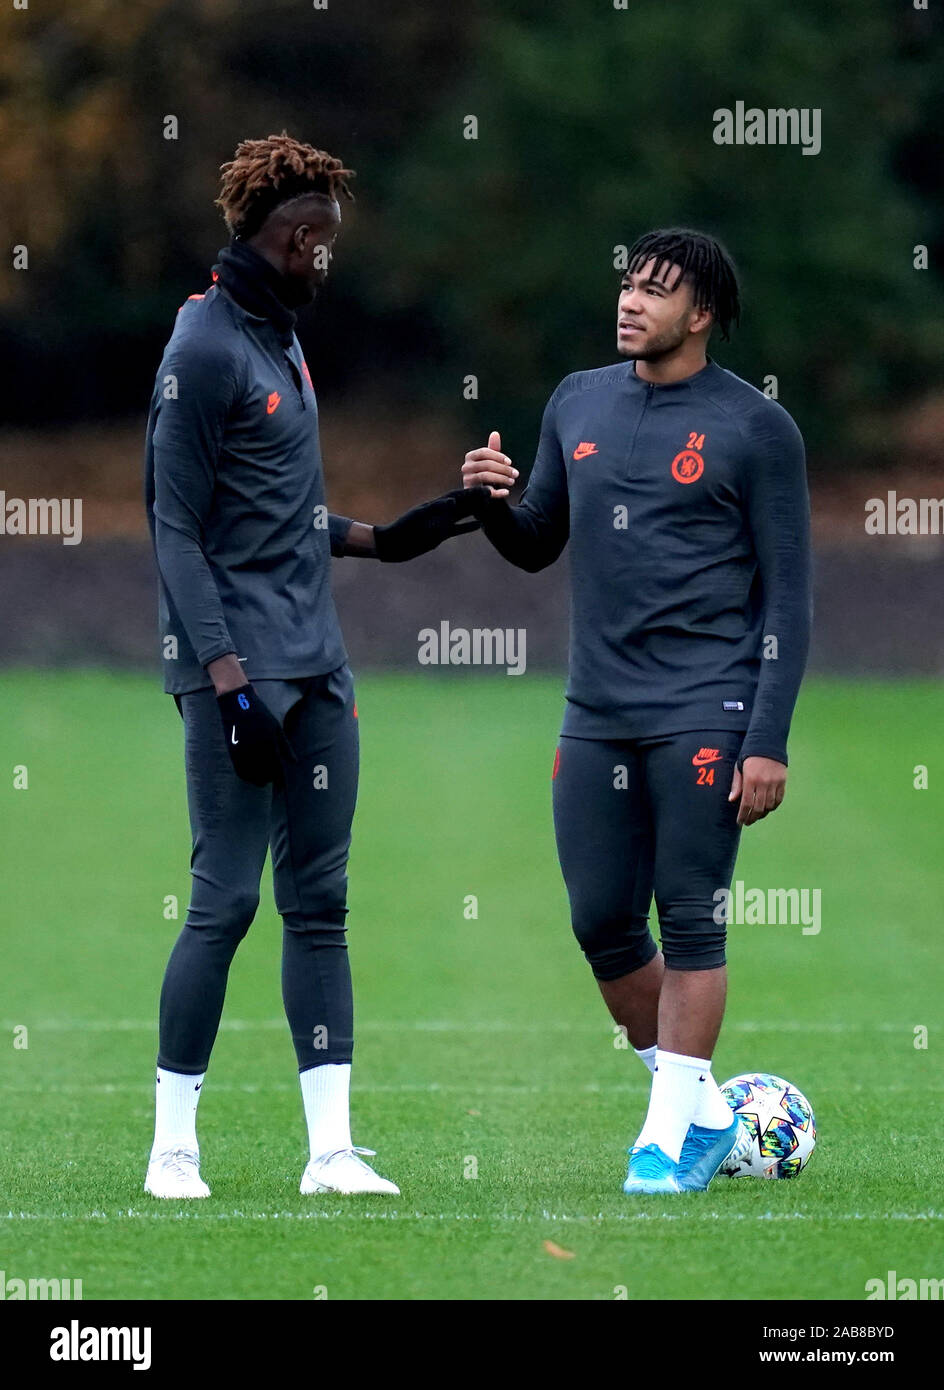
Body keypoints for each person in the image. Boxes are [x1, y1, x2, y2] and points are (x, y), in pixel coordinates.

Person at [143, 133, 486, 1199]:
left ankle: (330, 1152)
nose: (331, 262)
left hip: (320, 667)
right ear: (293, 239)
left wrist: (402, 531)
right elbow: (177, 530)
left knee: (320, 903)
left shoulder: (281, 338)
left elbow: (283, 512)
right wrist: (229, 683)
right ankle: (172, 1151)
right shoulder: (200, 345)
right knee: (222, 902)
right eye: (324, 245)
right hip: (238, 675)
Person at [461, 228, 812, 1194]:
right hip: (597, 708)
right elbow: (536, 542)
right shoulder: (577, 400)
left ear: (699, 316)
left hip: (707, 704)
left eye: (655, 292)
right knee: (602, 923)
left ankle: (667, 1141)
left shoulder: (754, 428)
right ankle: (704, 1104)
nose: (630, 303)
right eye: (627, 285)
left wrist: (767, 738)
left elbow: (789, 597)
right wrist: (492, 501)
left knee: (691, 918)